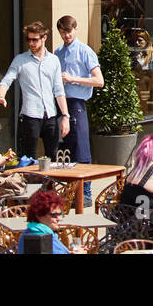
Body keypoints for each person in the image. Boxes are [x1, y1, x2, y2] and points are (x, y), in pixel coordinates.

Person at [0, 22, 71, 163]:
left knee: (52, 157)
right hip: (30, 115)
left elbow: (59, 90)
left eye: (35, 39)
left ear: (44, 38)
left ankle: (50, 185)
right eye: (29, 40)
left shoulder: (53, 60)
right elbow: (6, 81)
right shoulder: (21, 60)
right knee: (28, 158)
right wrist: (1, 96)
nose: (31, 43)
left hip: (50, 115)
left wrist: (65, 115)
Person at [55, 14, 102, 204]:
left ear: (75, 29)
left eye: (69, 31)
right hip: (60, 102)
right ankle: (69, 191)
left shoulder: (85, 51)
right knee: (64, 148)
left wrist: (73, 78)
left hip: (77, 102)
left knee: (81, 147)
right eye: (63, 32)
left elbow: (99, 81)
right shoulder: (57, 53)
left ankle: (87, 193)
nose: (66, 35)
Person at [15, 189, 68, 253]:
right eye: (54, 215)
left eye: (59, 214)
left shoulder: (27, 232)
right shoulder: (42, 239)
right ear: (39, 215)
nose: (58, 218)